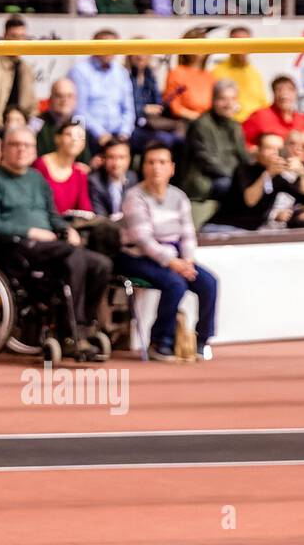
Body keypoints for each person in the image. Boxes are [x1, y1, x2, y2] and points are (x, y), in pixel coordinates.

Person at [0, 126, 111, 353]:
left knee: (101, 264)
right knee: (74, 255)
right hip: (16, 247)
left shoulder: (36, 178)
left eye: (27, 145)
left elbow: (52, 216)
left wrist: (67, 230)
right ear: (4, 149)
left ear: (34, 150)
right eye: (15, 145)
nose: (21, 150)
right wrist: (30, 231)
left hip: (51, 246)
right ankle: (71, 333)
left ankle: (84, 325)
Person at [117, 143, 218, 362]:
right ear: (144, 167)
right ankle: (160, 343)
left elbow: (188, 234)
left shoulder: (179, 197)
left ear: (171, 168)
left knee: (209, 282)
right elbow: (143, 240)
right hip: (135, 257)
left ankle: (202, 341)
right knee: (175, 283)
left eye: (162, 163)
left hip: (176, 258)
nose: (156, 168)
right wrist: (173, 263)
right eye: (151, 162)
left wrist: (188, 260)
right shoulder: (134, 197)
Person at [211, 132, 304, 231]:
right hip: (223, 227)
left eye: (279, 149)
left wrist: (302, 174)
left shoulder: (277, 177)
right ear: (258, 150)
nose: (275, 152)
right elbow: (250, 201)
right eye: (269, 148)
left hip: (249, 233)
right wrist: (268, 174)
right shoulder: (244, 170)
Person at [180, 80, 251, 209]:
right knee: (231, 185)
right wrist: (238, 178)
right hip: (204, 181)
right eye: (223, 99)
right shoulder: (201, 124)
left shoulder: (235, 125)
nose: (228, 104)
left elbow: (244, 157)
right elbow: (209, 162)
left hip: (230, 176)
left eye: (232, 99)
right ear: (213, 100)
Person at [67, 33, 133, 155]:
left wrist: (125, 133)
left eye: (112, 46)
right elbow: (79, 110)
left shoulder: (122, 72)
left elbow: (128, 109)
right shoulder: (80, 71)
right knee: (77, 136)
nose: (107, 50)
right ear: (93, 45)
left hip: (119, 133)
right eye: (103, 45)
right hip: (90, 132)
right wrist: (100, 134)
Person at [0, 17, 38, 127]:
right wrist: (4, 129)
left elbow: (33, 107)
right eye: (14, 36)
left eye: (22, 37)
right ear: (4, 37)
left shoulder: (27, 69)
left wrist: (30, 129)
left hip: (22, 130)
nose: (18, 41)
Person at [242, 75, 304, 159]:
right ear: (273, 94)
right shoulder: (260, 116)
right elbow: (241, 141)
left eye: (289, 90)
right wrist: (255, 151)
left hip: (299, 166)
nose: (284, 94)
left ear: (295, 93)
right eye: (279, 90)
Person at [33, 120, 93, 214]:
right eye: (69, 134)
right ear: (57, 138)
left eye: (80, 136)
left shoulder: (80, 173)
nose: (74, 139)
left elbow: (85, 209)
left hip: (68, 225)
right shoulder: (40, 164)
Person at [209, 27, 268, 122]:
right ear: (229, 44)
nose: (242, 48)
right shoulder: (217, 72)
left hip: (255, 124)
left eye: (245, 43)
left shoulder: (255, 73)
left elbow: (263, 103)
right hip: (230, 123)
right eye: (238, 43)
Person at [89, 139, 137, 218]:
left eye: (121, 157)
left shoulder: (132, 177)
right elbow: (100, 216)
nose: (116, 163)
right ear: (103, 159)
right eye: (111, 157)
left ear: (129, 159)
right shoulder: (95, 181)